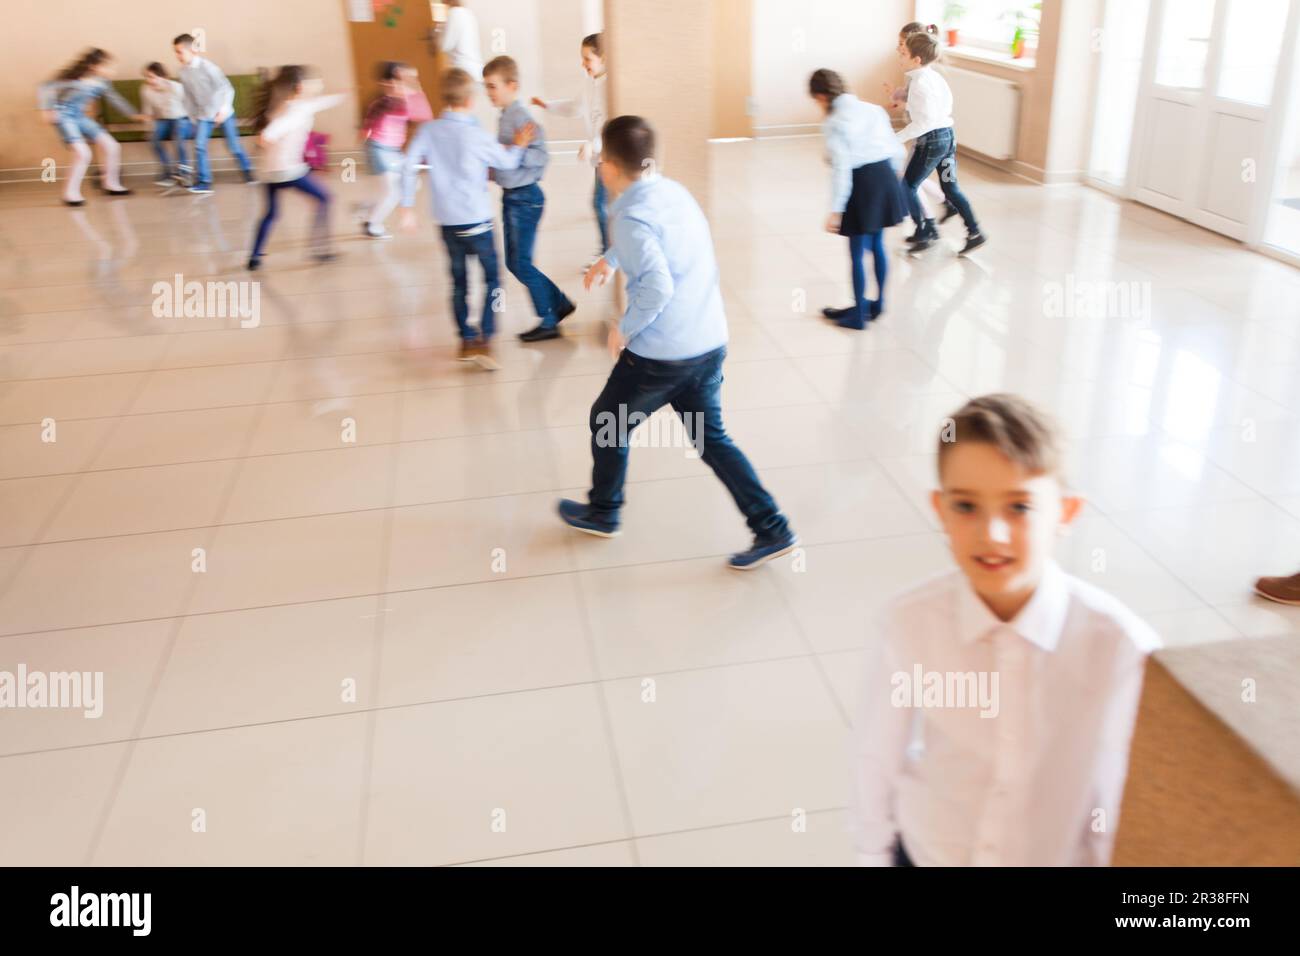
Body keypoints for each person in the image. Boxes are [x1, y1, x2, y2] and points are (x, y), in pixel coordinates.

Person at [851, 394, 1160, 866]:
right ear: (940, 509)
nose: (991, 533)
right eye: (966, 506)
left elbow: (1114, 793)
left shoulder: (1119, 646)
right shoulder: (908, 622)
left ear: (1066, 513)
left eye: (1019, 507)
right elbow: (876, 760)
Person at [560, 116, 798, 570]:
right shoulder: (672, 192)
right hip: (708, 340)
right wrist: (611, 260)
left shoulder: (628, 214)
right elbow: (657, 242)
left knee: (606, 420)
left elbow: (657, 285)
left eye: (600, 162)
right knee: (711, 440)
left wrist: (623, 327)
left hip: (663, 355)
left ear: (607, 166)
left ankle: (603, 512)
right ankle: (773, 527)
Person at [398, 68, 536, 370]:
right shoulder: (476, 135)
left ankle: (464, 338)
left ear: (444, 97)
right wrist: (520, 145)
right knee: (493, 281)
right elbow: (507, 162)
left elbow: (407, 165)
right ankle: (485, 339)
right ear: (471, 100)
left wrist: (406, 207)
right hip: (478, 223)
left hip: (447, 224)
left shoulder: (428, 132)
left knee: (459, 282)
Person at [482, 54, 575, 342]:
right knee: (516, 262)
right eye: (486, 87)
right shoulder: (507, 115)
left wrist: (517, 149)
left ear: (512, 85)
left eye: (492, 86)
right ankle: (558, 303)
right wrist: (494, 170)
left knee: (520, 262)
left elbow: (540, 156)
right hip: (514, 197)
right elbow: (507, 159)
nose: (489, 93)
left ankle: (550, 318)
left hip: (525, 198)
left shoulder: (520, 117)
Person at [809, 69, 907, 330]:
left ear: (820, 96)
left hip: (861, 183)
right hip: (885, 175)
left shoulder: (834, 121)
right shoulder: (873, 109)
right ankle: (877, 304)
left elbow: (842, 168)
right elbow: (897, 148)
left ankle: (858, 314)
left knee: (856, 252)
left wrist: (836, 209)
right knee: (877, 245)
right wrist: (893, 175)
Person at [895, 31, 986, 255]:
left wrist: (895, 138)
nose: (899, 54)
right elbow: (940, 111)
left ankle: (924, 231)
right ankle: (975, 232)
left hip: (931, 142)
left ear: (916, 59)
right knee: (950, 187)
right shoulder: (933, 76)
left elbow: (923, 123)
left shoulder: (919, 84)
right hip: (947, 138)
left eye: (903, 52)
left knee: (907, 187)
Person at [247, 66, 344, 271]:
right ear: (301, 87)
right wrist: (266, 139)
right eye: (315, 82)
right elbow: (272, 132)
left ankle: (254, 257)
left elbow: (319, 103)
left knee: (271, 214)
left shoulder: (285, 105)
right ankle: (320, 249)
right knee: (325, 199)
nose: (319, 84)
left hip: (269, 173)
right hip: (288, 171)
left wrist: (342, 95)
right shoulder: (296, 110)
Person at [531, 33, 608, 268]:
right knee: (602, 203)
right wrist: (548, 106)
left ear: (603, 58)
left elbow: (610, 125)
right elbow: (575, 107)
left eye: (587, 58)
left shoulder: (612, 87)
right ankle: (612, 252)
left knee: (600, 203)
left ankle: (608, 254)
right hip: (601, 157)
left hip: (611, 156)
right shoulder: (590, 82)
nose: (583, 64)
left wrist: (592, 145)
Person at [38, 48, 147, 206]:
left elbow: (115, 99)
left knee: (111, 146)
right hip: (64, 117)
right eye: (108, 66)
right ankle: (70, 194)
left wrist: (133, 114)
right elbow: (46, 87)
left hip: (80, 117)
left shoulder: (102, 83)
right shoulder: (74, 79)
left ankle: (111, 184)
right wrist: (47, 109)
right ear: (94, 66)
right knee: (83, 153)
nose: (112, 71)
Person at [883, 22, 956, 236]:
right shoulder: (918, 74)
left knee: (909, 182)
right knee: (912, 180)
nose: (898, 50)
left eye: (901, 45)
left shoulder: (922, 78)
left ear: (915, 53)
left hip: (926, 136)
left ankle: (927, 225)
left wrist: (897, 137)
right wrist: (897, 98)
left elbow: (924, 115)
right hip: (925, 134)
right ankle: (939, 210)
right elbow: (911, 101)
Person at [174, 33, 255, 195]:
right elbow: (188, 96)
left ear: (192, 50)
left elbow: (226, 89)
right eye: (175, 52)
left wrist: (223, 111)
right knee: (199, 145)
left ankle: (247, 171)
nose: (177, 56)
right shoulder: (183, 72)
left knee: (233, 146)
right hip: (204, 115)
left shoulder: (208, 68)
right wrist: (192, 117)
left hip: (222, 111)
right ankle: (204, 181)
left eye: (180, 52)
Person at [359, 61, 433, 239]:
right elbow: (419, 113)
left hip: (392, 150)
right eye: (400, 79)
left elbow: (425, 116)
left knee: (413, 184)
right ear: (388, 82)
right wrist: (413, 86)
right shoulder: (385, 102)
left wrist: (414, 85)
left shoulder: (403, 99)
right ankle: (372, 224)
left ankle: (368, 209)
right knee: (393, 191)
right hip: (379, 149)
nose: (404, 84)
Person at [141, 61, 192, 186]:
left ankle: (184, 173)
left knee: (178, 138)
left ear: (163, 77)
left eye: (153, 77)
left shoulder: (176, 87)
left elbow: (190, 106)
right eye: (147, 77)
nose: (150, 80)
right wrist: (149, 127)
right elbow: (147, 111)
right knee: (153, 139)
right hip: (162, 120)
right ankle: (167, 171)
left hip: (181, 118)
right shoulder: (145, 90)